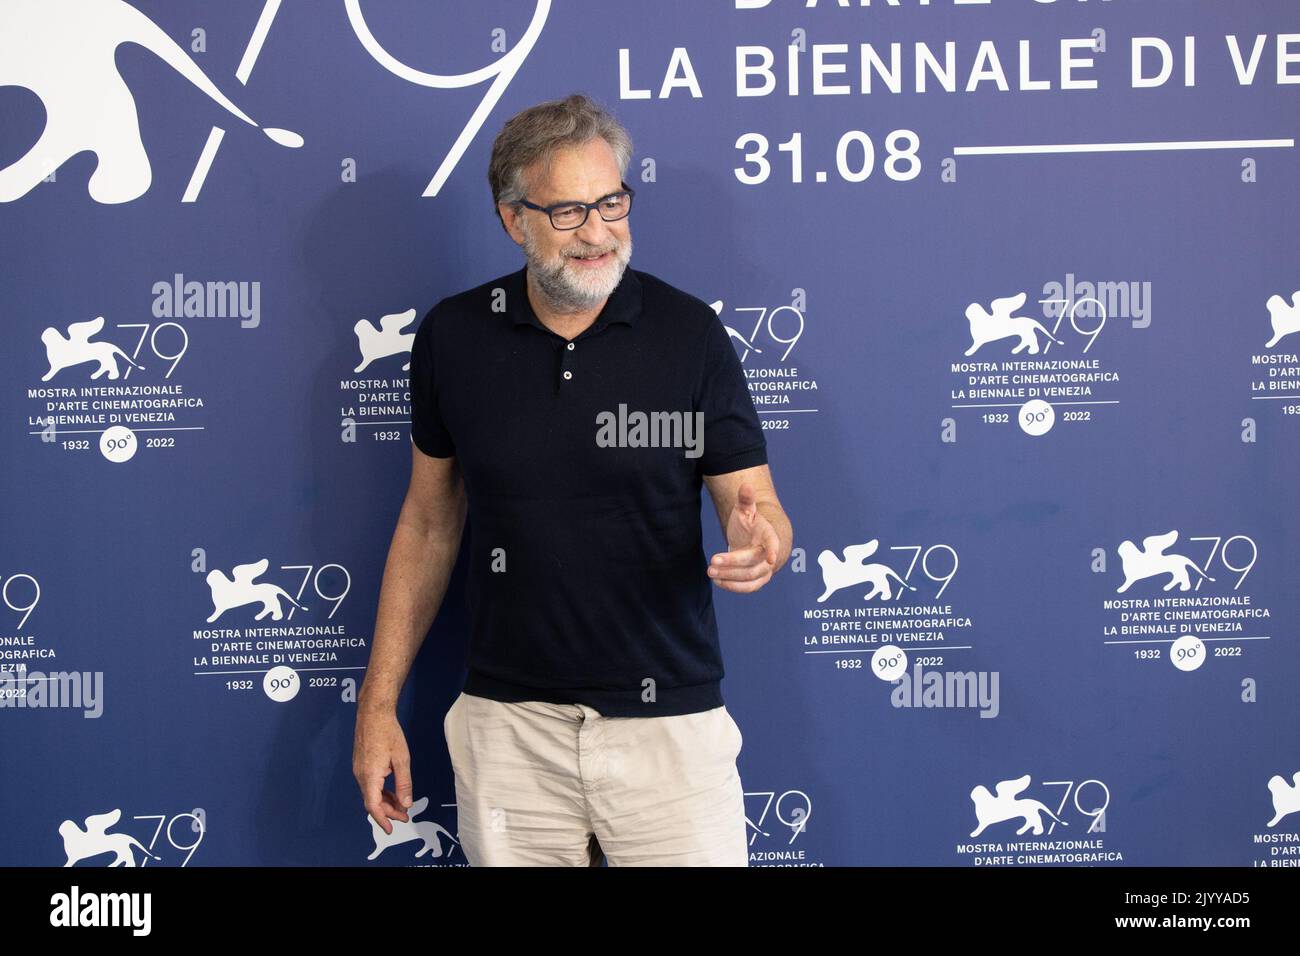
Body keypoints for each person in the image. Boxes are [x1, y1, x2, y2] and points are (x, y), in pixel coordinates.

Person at [353, 92, 793, 866]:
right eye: (567, 212)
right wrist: (378, 704)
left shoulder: (690, 334)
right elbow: (429, 522)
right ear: (512, 219)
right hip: (508, 729)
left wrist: (761, 543)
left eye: (612, 202)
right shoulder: (453, 337)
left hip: (669, 731)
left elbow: (753, 505)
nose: (597, 232)